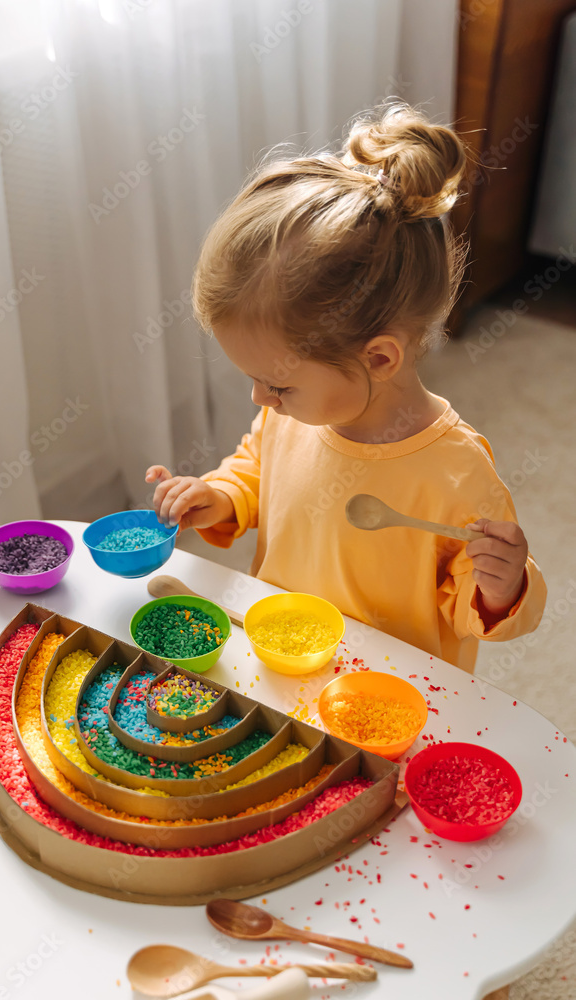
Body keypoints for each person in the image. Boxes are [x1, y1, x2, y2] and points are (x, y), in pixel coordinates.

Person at [146, 102, 547, 674]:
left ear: (379, 357)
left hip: (388, 692)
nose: (262, 400)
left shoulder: (457, 473)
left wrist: (503, 588)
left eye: (277, 385)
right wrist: (220, 497)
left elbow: (473, 607)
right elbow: (257, 470)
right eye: (254, 381)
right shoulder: (290, 416)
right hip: (281, 658)